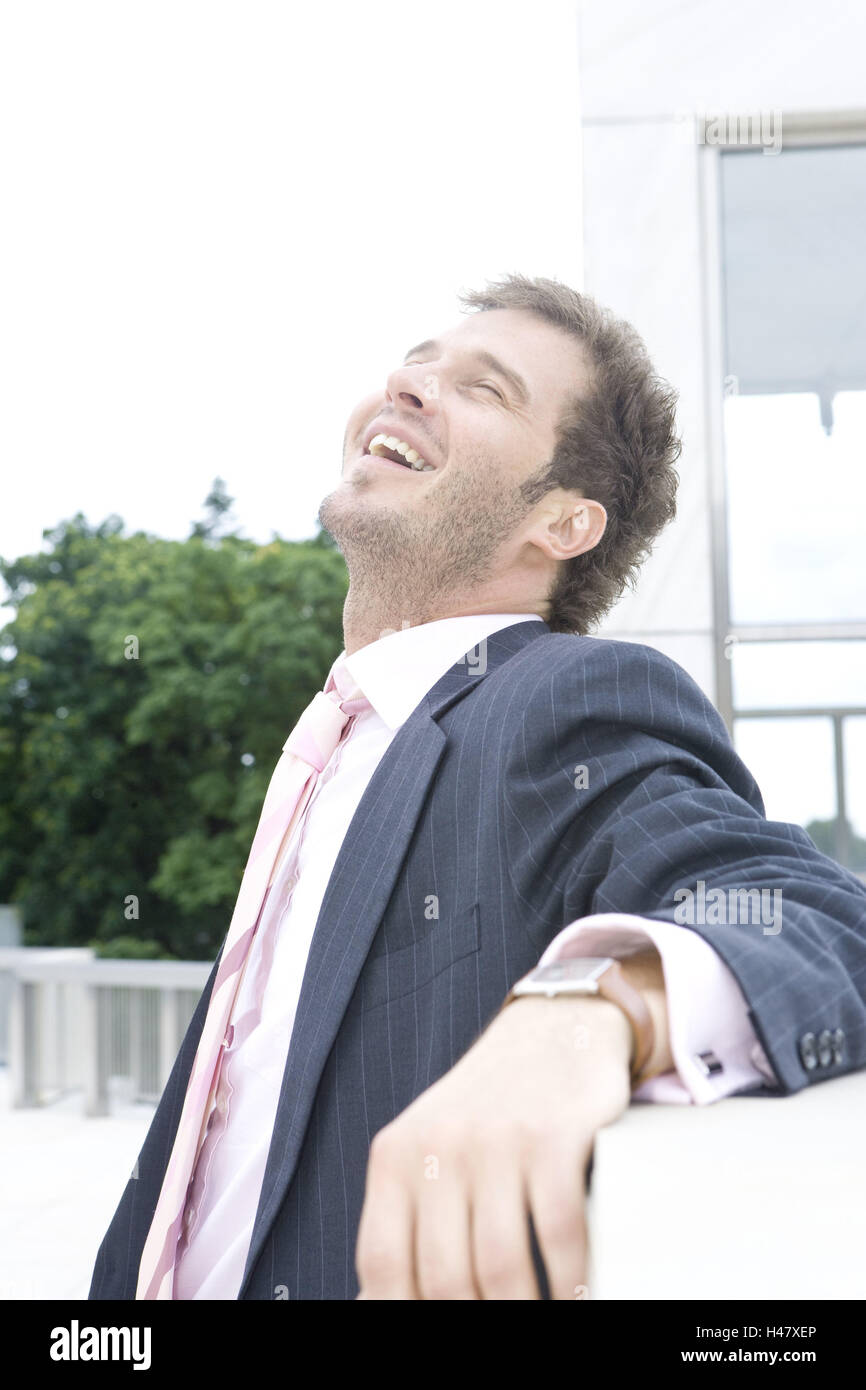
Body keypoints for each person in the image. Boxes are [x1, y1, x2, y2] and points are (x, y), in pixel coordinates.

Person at [90, 274, 866, 1301]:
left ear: (560, 521)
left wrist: (578, 1007)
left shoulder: (565, 701)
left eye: (483, 388)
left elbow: (814, 914)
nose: (407, 384)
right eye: (417, 360)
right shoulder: (341, 746)